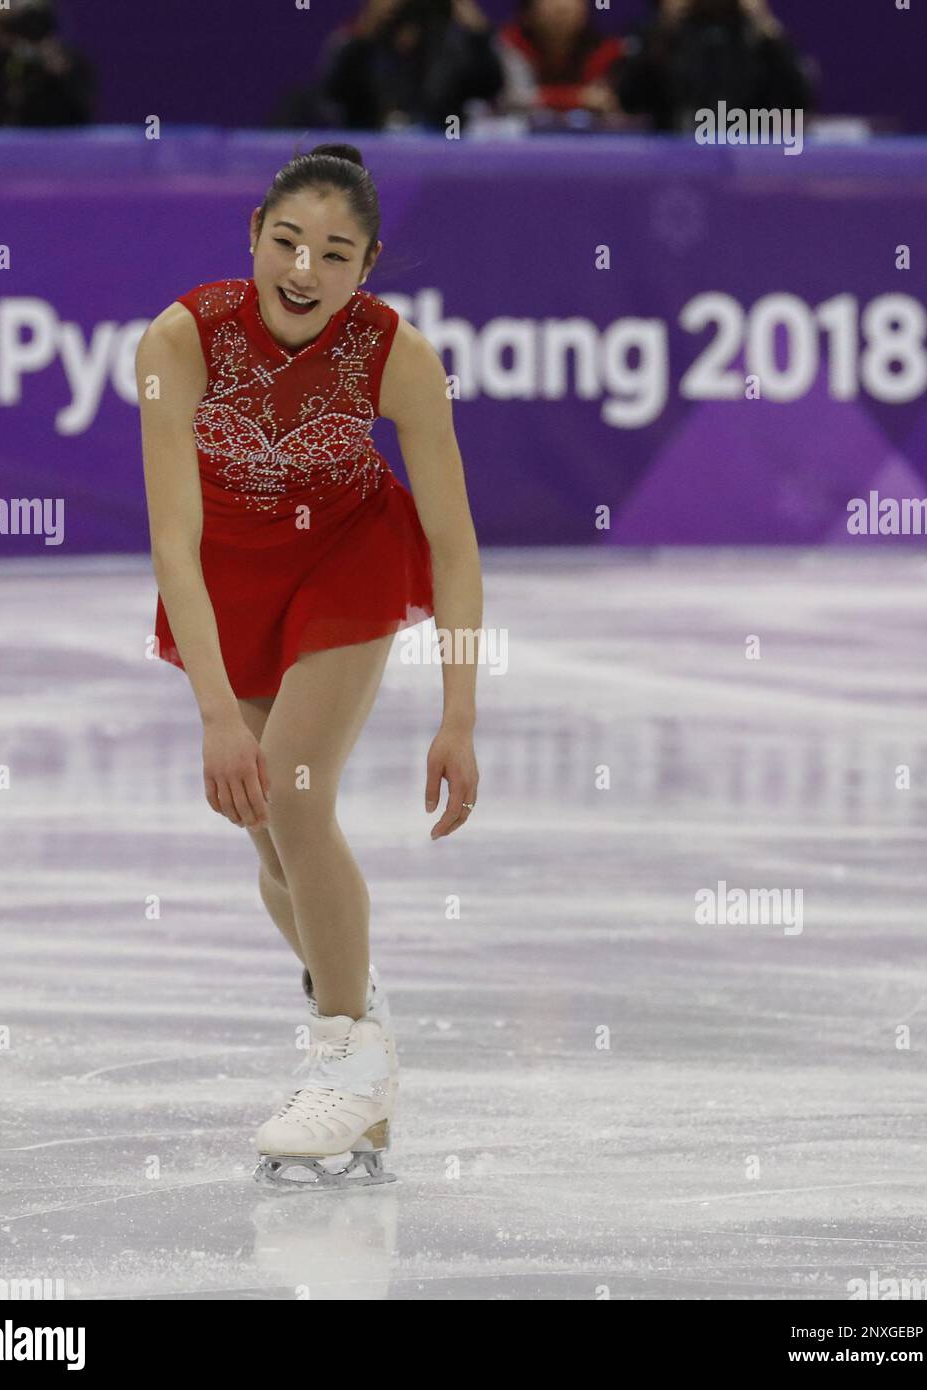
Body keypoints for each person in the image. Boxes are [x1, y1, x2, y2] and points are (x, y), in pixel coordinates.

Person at [137, 144, 482, 1187]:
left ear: (366, 265)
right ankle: (361, 1015)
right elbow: (171, 542)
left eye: (333, 253)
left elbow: (456, 543)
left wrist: (457, 715)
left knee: (292, 789)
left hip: (346, 556)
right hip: (231, 576)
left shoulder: (397, 354)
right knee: (265, 825)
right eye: (287, 241)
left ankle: (343, 1052)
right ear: (253, 233)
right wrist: (212, 714)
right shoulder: (179, 339)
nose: (302, 268)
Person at [617, 0, 812, 132]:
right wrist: (665, 25)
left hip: (745, 162)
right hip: (675, 163)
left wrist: (764, 23)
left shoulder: (754, 36)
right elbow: (629, 100)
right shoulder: (662, 34)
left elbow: (799, 100)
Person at [312, 0, 504, 131]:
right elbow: (335, 93)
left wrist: (479, 35)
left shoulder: (453, 46)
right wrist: (367, 29)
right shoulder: (355, 44)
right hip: (370, 154)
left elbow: (490, 87)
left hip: (438, 152)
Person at [496, 0, 627, 118]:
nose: (562, 6)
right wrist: (578, 98)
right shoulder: (510, 44)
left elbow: (604, 100)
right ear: (528, 9)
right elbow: (513, 98)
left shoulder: (607, 51)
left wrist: (543, 98)